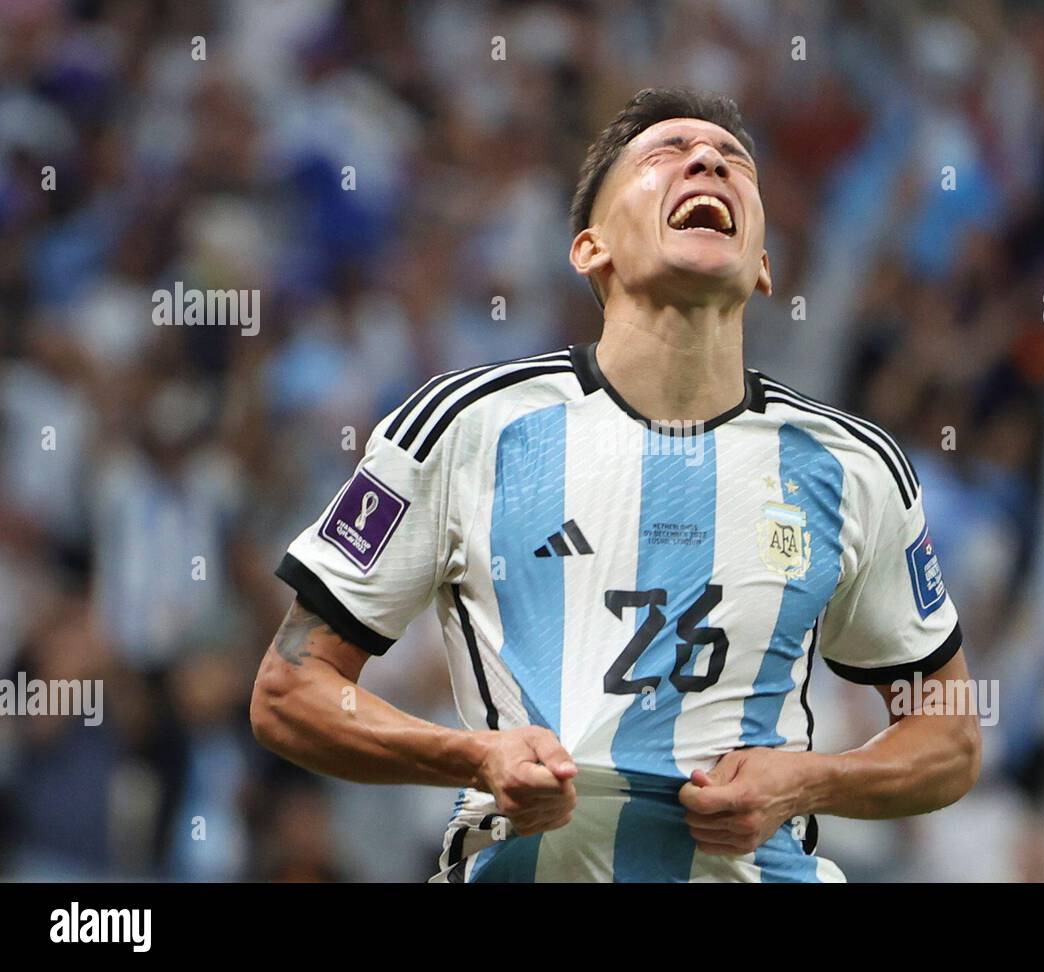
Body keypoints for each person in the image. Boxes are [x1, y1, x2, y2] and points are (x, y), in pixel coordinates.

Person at [249, 87, 980, 883]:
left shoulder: (851, 464)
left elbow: (948, 737)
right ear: (590, 248)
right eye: (664, 154)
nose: (708, 161)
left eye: (734, 162)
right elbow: (292, 689)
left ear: (764, 265)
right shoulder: (465, 427)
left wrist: (808, 780)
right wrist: (475, 755)